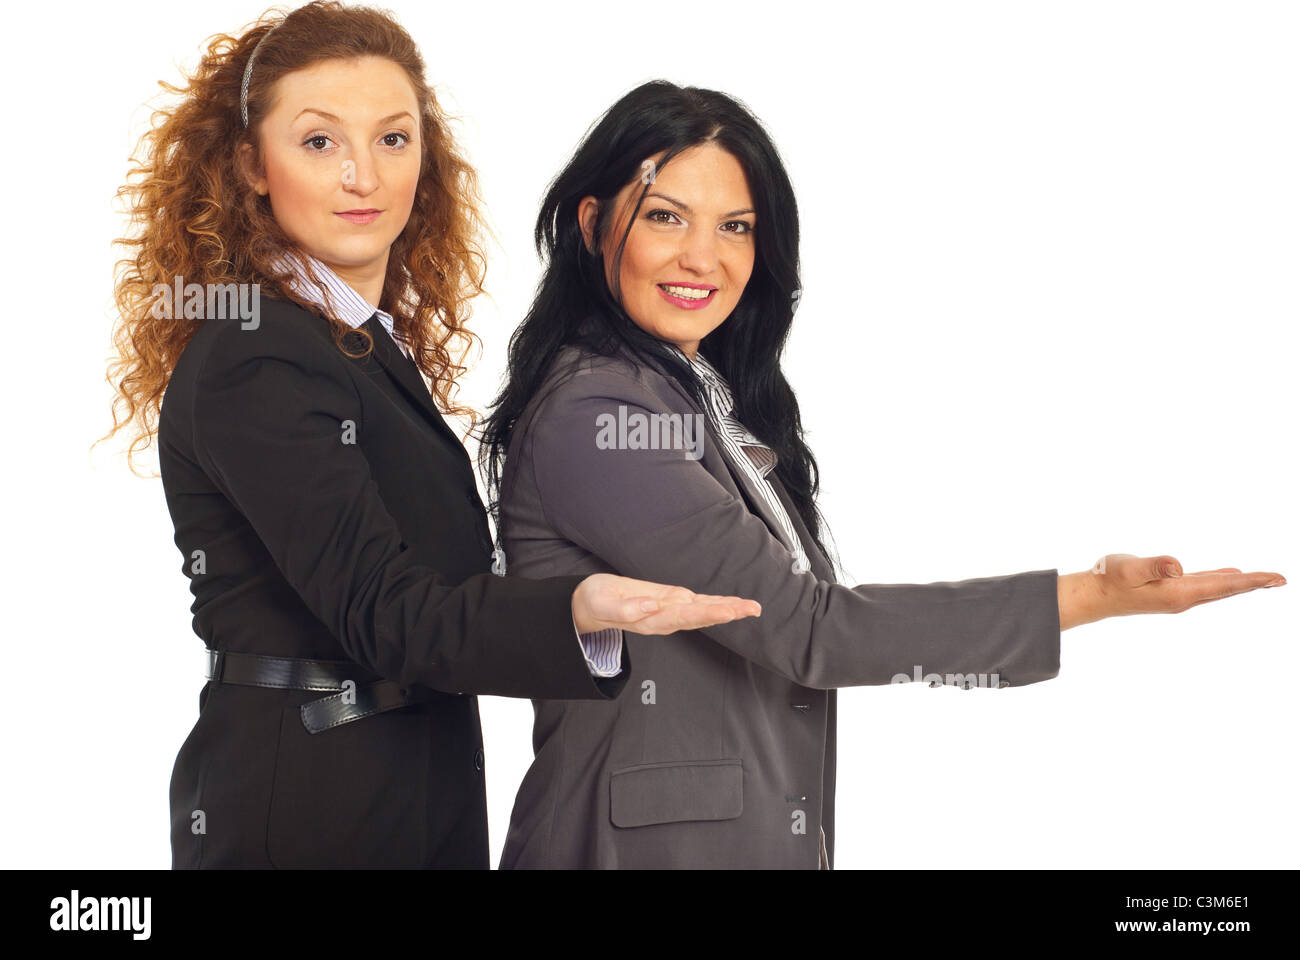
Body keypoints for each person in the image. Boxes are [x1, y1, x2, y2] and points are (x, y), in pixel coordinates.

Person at [479, 79, 1286, 869]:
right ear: (593, 223)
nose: (704, 256)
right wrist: (1093, 597)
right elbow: (808, 629)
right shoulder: (598, 419)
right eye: (664, 217)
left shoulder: (688, 398)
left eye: (735, 226)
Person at [103, 6, 758, 868]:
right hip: (310, 814)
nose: (362, 177)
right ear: (249, 167)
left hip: (403, 792)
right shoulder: (255, 355)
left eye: (393, 139)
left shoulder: (358, 344)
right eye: (319, 142)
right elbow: (388, 610)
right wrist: (578, 609)